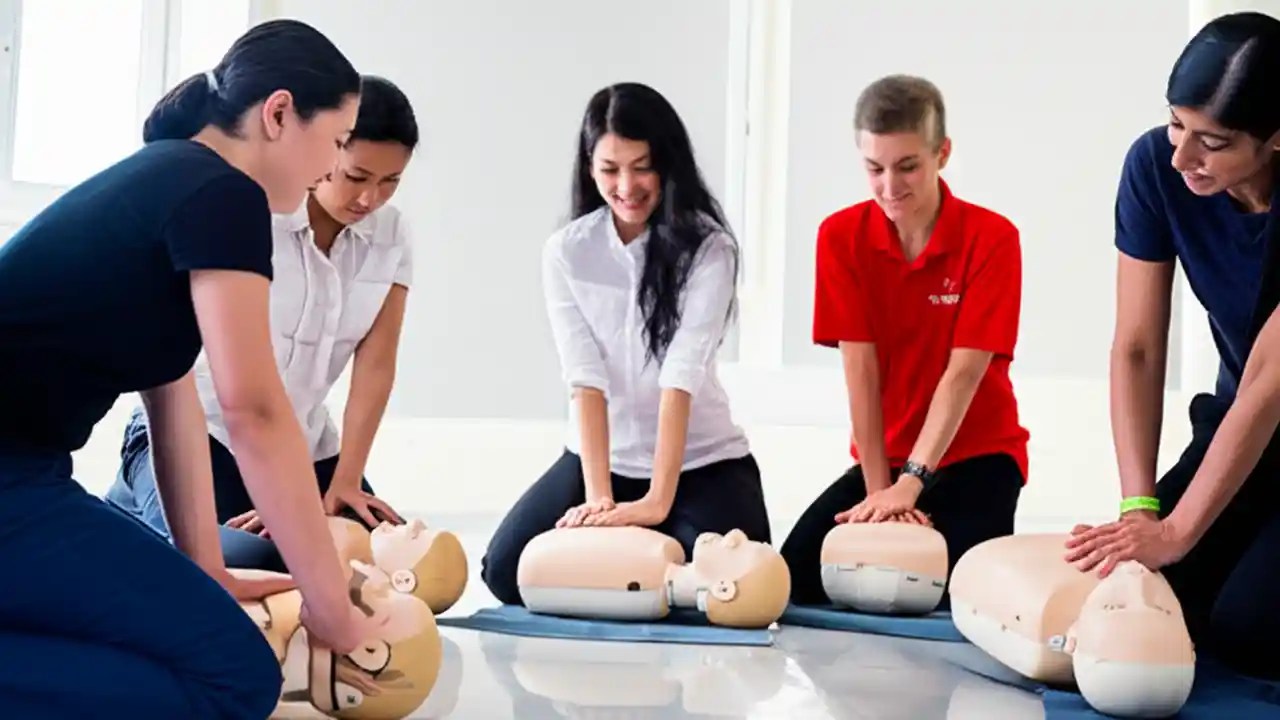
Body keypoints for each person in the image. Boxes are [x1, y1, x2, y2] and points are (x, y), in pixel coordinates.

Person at [0, 20, 381, 718]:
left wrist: (204, 566)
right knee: (234, 678)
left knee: (172, 647)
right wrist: (333, 609)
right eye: (334, 141)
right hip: (11, 483)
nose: (331, 169)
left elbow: (170, 395)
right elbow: (254, 412)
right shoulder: (221, 193)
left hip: (28, 477)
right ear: (278, 114)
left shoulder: (173, 176)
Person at [105, 74, 418, 572]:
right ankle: (134, 505)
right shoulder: (253, 212)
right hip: (208, 435)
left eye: (390, 181)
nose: (370, 199)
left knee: (383, 564)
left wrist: (346, 482)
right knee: (255, 562)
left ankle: (146, 516)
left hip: (304, 447)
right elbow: (240, 390)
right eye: (357, 176)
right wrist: (282, 498)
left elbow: (376, 367)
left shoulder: (392, 233)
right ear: (330, 150)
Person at [479, 82, 772, 605]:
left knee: (732, 589)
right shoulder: (567, 252)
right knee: (506, 573)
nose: (627, 185)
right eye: (610, 168)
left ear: (667, 166)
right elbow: (584, 379)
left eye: (642, 167)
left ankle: (655, 535)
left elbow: (680, 373)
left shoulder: (709, 248)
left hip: (701, 463)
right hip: (602, 461)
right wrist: (600, 503)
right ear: (589, 168)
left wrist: (657, 502)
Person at [1065, 12, 1280, 680]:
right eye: (1176, 125)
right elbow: (1136, 348)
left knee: (1247, 632)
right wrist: (1142, 513)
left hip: (1265, 402)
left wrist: (1180, 532)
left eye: (1212, 141)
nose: (1183, 156)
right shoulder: (1154, 167)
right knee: (1136, 600)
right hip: (1237, 424)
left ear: (1275, 138)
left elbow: (1272, 383)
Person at [779, 75, 1029, 607]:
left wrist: (912, 483)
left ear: (943, 153)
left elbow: (964, 373)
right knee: (794, 580)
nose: (890, 186)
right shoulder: (840, 238)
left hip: (976, 456)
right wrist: (880, 498)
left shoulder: (993, 239)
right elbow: (861, 375)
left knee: (950, 591)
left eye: (907, 166)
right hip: (883, 463)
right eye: (875, 168)